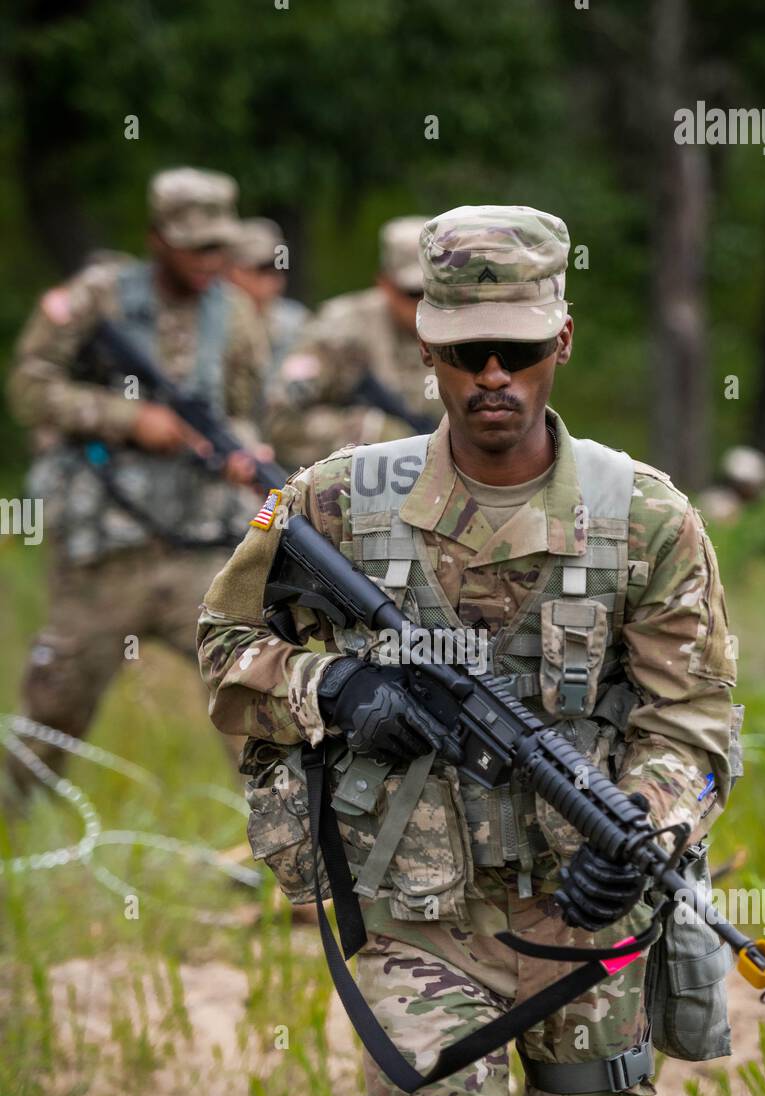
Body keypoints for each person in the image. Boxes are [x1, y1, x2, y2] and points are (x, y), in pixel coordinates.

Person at [197, 204, 739, 1096]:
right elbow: (222, 647)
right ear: (426, 350)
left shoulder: (643, 520)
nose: (493, 376)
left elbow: (693, 719)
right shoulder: (340, 500)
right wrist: (331, 686)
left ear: (563, 343)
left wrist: (648, 827)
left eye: (520, 349)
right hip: (416, 917)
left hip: (587, 924)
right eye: (463, 352)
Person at [5, 166, 272, 793]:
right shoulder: (97, 297)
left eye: (220, 247)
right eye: (196, 246)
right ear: (157, 238)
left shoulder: (234, 316)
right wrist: (128, 418)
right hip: (104, 555)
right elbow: (28, 388)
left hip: (199, 552)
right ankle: (11, 841)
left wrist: (236, 451)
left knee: (251, 698)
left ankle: (286, 857)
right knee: (53, 710)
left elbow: (243, 410)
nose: (210, 260)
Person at [264, 214, 444, 472]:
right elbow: (281, 422)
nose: (423, 304)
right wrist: (362, 431)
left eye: (435, 291)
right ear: (384, 283)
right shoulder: (340, 331)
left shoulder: (466, 329)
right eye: (412, 293)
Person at [226, 217, 310, 376]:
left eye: (282, 268)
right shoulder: (216, 318)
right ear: (234, 271)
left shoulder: (295, 320)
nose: (277, 278)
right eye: (265, 269)